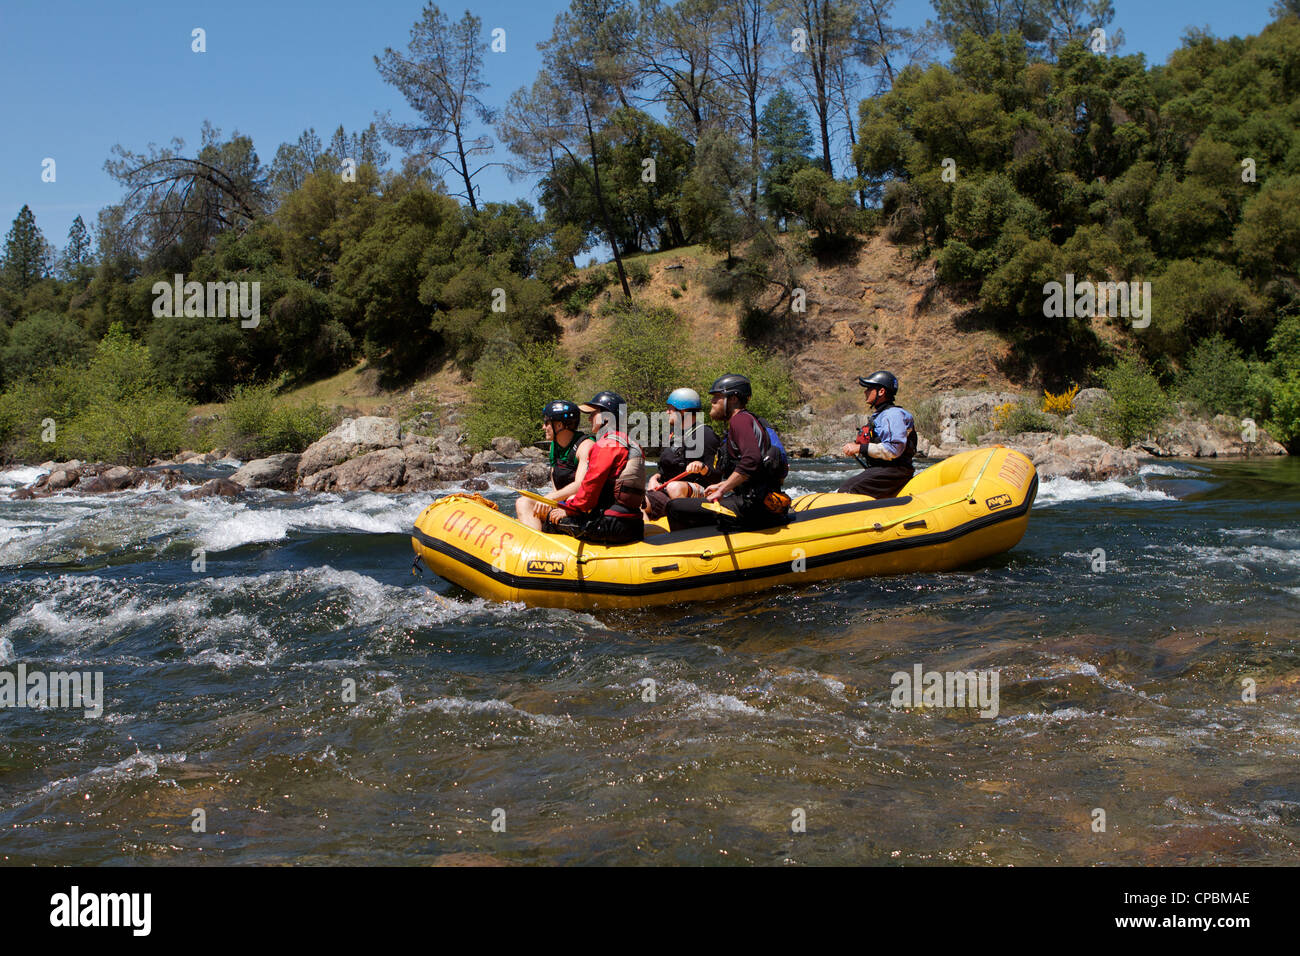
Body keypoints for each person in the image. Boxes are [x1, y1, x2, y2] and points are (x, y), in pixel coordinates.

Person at [665, 374, 790, 532]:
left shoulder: (740, 420)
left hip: (751, 507)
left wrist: (721, 490)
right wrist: (722, 484)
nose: (712, 402)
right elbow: (751, 471)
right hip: (755, 502)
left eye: (717, 397)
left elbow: (751, 460)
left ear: (733, 399)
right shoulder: (746, 420)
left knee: (675, 507)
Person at [540, 391, 646, 545]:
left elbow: (589, 491)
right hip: (633, 523)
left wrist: (568, 510)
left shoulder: (605, 445)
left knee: (550, 521)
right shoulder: (631, 443)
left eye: (593, 414)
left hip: (610, 524)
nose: (589, 418)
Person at [642, 387, 722, 520]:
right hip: (669, 489)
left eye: (670, 409)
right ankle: (650, 533)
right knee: (637, 502)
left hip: (703, 493)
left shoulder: (706, 435)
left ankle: (683, 527)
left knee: (675, 487)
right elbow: (663, 470)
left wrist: (702, 468)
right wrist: (654, 478)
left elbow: (717, 478)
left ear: (683, 411)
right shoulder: (671, 435)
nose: (666, 412)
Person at [515, 399, 595, 531]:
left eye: (547, 423)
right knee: (523, 502)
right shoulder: (554, 446)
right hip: (561, 502)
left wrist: (550, 498)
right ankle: (536, 545)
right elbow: (556, 484)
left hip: (580, 504)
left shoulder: (585, 446)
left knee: (571, 497)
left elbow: (581, 485)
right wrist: (551, 501)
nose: (543, 427)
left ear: (559, 425)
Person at [838, 370, 917, 499]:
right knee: (848, 487)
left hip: (896, 471)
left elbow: (894, 450)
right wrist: (858, 446)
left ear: (881, 391)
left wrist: (860, 448)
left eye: (869, 388)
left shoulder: (893, 415)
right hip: (885, 469)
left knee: (849, 489)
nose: (865, 391)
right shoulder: (881, 415)